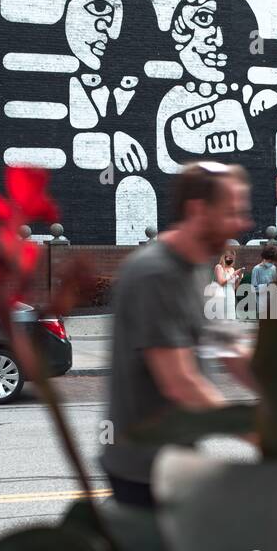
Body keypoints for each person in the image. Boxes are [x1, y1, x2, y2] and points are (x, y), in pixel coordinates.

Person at [102, 161, 254, 508]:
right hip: (145, 473)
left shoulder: (199, 264)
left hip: (180, 460)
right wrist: (262, 434)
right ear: (198, 209)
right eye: (232, 212)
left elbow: (231, 348)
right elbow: (181, 382)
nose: (243, 223)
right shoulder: (155, 273)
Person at [211, 247, 243, 321]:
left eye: (232, 258)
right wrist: (233, 275)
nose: (231, 259)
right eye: (229, 257)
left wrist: (239, 279)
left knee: (230, 319)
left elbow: (234, 288)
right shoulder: (219, 267)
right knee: (220, 319)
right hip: (220, 296)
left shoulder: (232, 269)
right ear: (224, 257)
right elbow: (221, 283)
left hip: (230, 297)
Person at [250, 243, 277, 319]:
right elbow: (253, 288)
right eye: (271, 261)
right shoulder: (256, 269)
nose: (272, 263)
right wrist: (267, 286)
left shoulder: (273, 268)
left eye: (273, 262)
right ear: (266, 258)